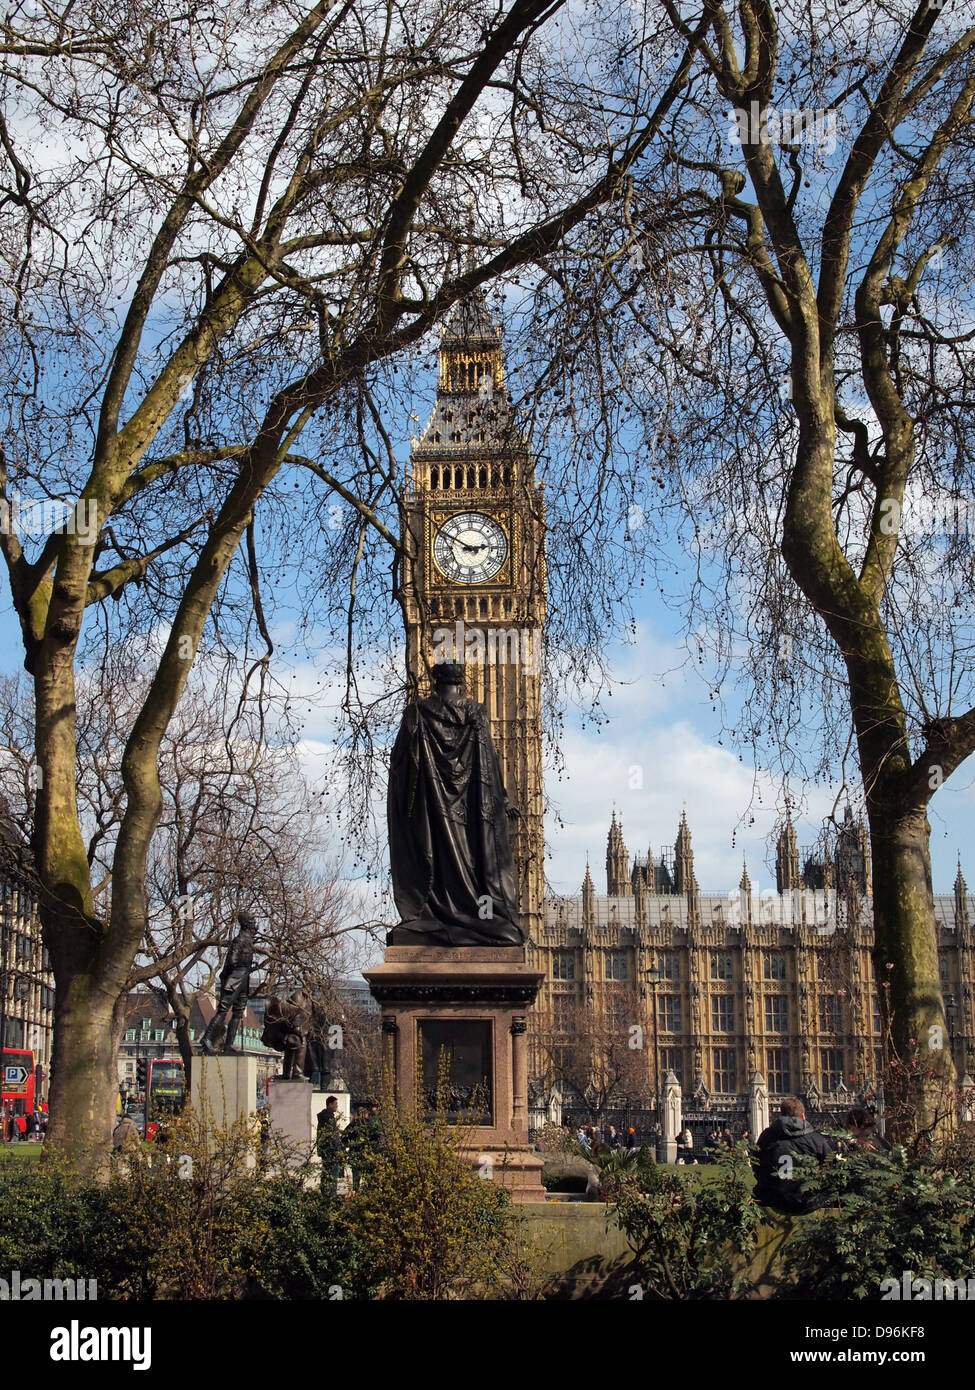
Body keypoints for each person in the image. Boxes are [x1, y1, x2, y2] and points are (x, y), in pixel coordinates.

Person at [754, 1097, 835, 1215]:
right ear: (803, 1116)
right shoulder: (816, 1139)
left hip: (773, 1200)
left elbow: (756, 1165)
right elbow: (831, 1167)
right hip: (808, 1202)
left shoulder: (766, 1136)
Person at [198, 911, 257, 1055]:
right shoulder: (239, 940)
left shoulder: (248, 940)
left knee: (238, 1012)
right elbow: (231, 961)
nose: (254, 924)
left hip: (244, 979)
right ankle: (207, 1039)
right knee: (223, 1010)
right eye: (252, 921)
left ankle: (228, 1045)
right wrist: (229, 977)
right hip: (236, 977)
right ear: (246, 924)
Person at [316, 1095, 344, 1199]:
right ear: (330, 1104)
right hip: (330, 1150)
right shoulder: (328, 1117)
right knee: (332, 1173)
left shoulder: (325, 1116)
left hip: (325, 1150)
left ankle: (325, 1193)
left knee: (326, 1172)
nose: (337, 1106)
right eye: (335, 1104)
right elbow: (332, 1135)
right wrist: (338, 1148)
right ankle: (331, 1195)